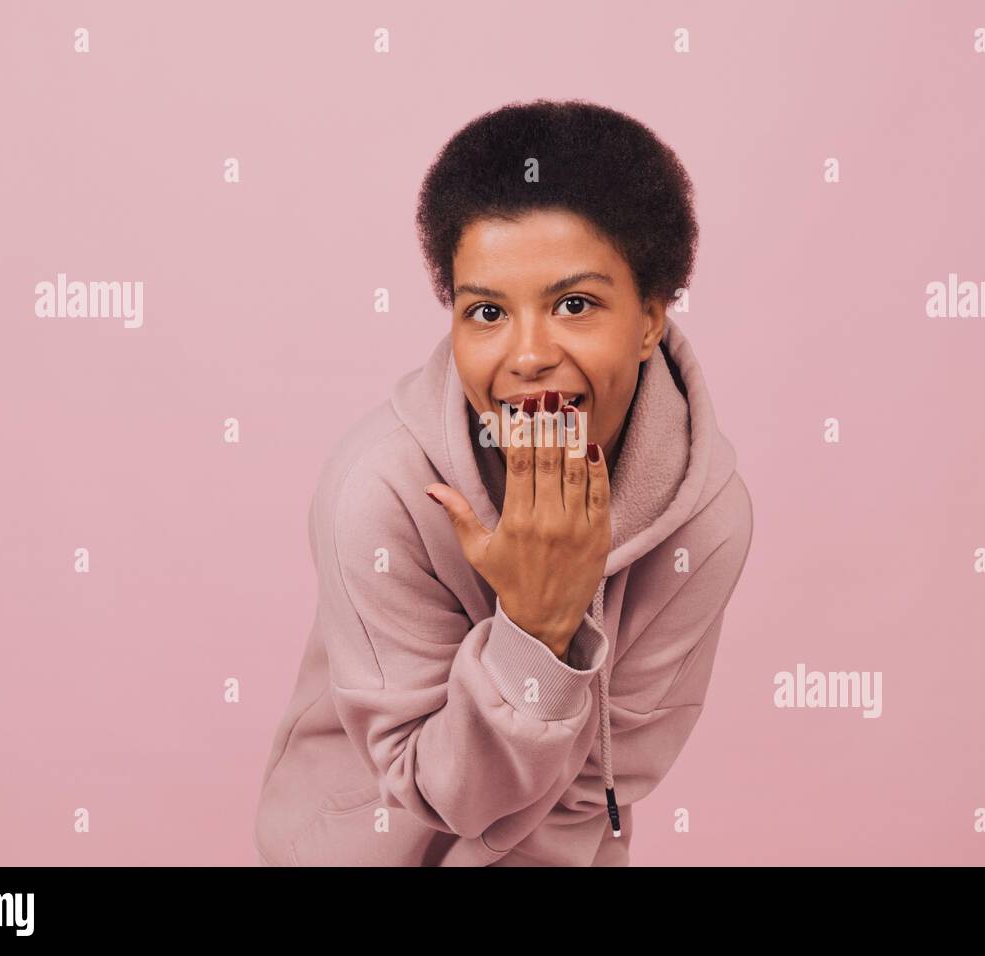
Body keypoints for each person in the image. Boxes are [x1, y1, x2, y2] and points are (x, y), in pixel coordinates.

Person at [253, 98, 753, 866]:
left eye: (575, 304)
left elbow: (592, 794)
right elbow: (432, 791)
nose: (526, 356)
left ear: (651, 317)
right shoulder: (377, 493)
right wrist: (535, 629)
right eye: (486, 311)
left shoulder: (705, 519)